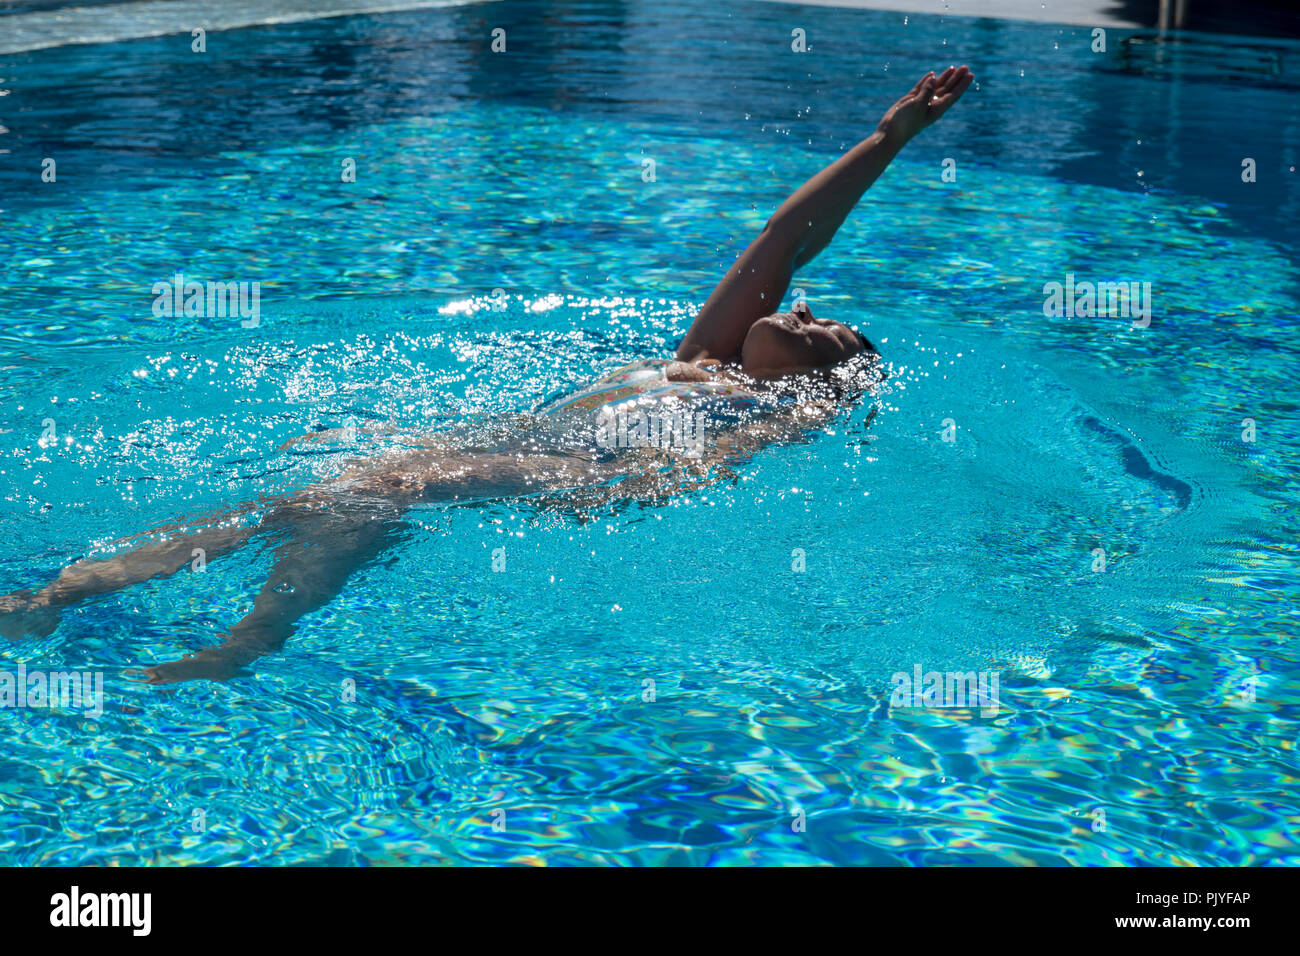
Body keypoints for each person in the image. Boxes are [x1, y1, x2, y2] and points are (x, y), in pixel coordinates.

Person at [0, 67, 974, 683]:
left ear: (839, 374)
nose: (806, 308)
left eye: (832, 327)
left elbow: (695, 470)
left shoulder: (776, 409)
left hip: (583, 473)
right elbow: (779, 241)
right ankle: (58, 599)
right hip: (530, 437)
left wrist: (664, 467)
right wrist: (889, 141)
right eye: (810, 305)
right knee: (305, 497)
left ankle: (242, 645)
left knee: (374, 489)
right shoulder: (702, 361)